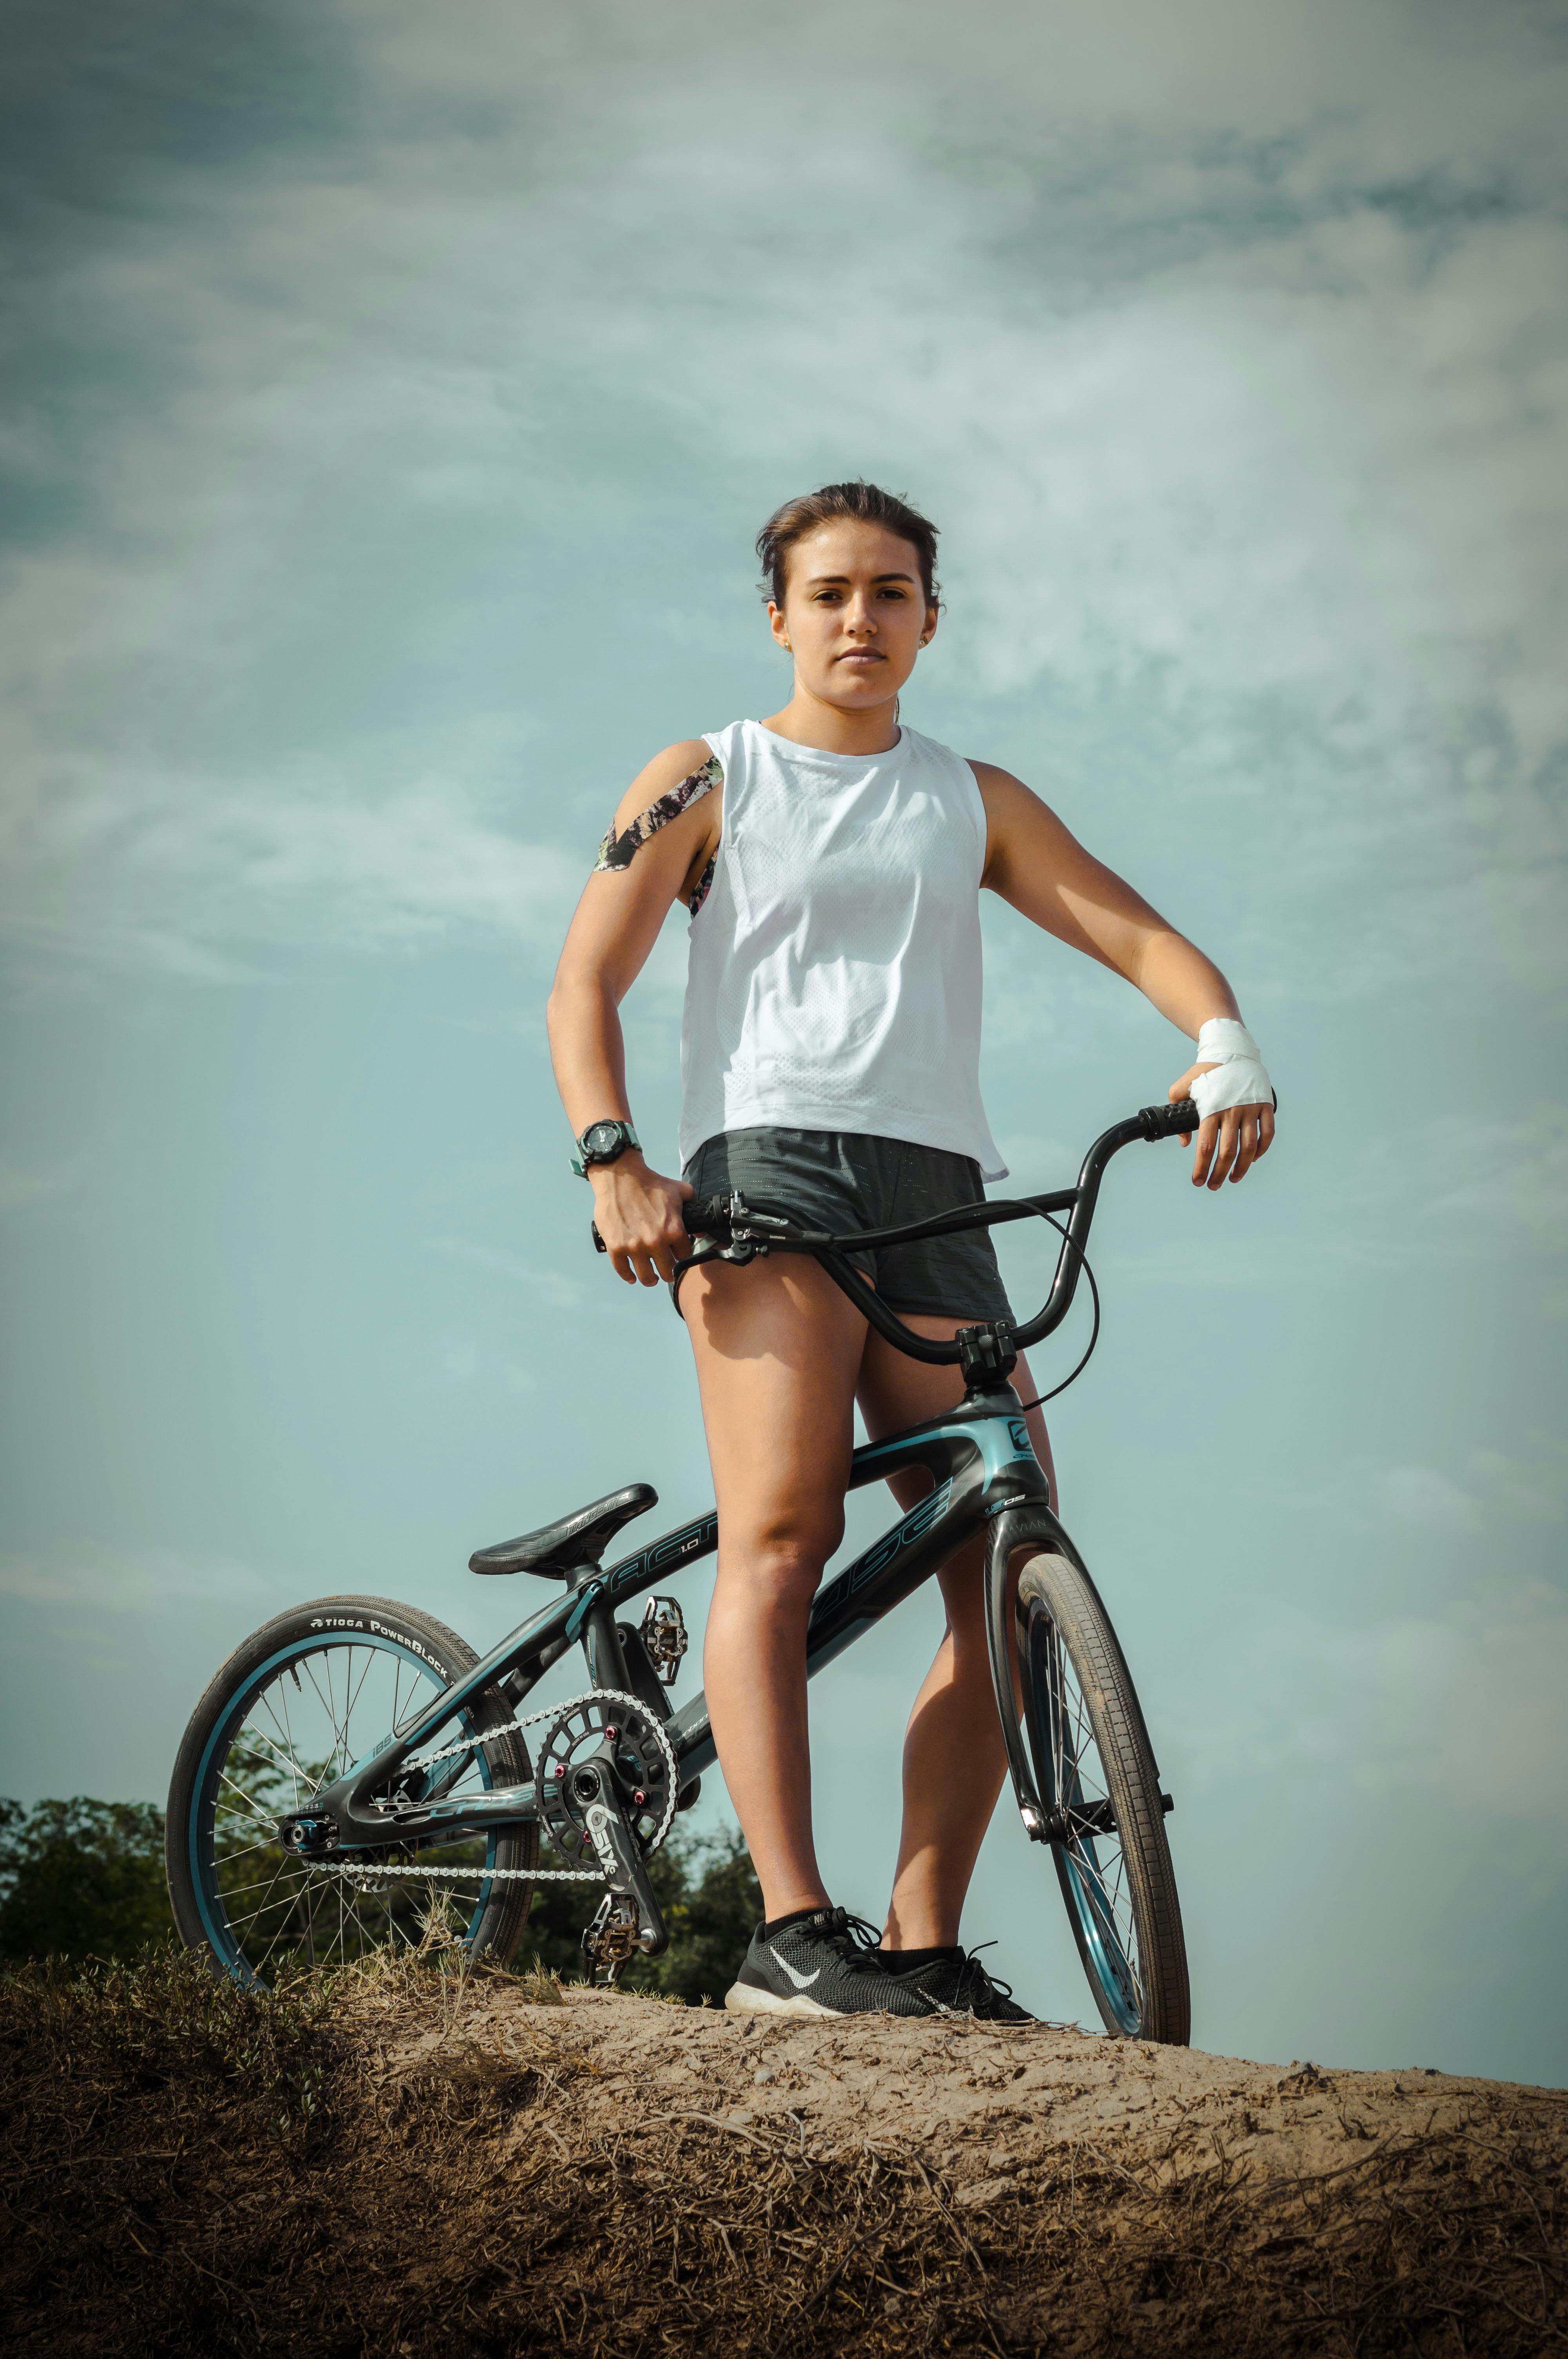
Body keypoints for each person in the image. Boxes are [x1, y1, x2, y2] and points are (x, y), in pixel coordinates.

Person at [548, 480, 1274, 2021]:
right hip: (768, 1176)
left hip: (937, 1193)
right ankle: (788, 1934)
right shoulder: (709, 779)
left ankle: (921, 1940)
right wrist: (613, 1153)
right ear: (779, 618)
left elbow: (1138, 934)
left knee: (1003, 1555)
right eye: (828, 594)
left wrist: (1218, 1043)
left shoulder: (972, 796)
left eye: (890, 593)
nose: (860, 619)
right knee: (784, 1534)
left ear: (929, 619)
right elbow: (584, 983)